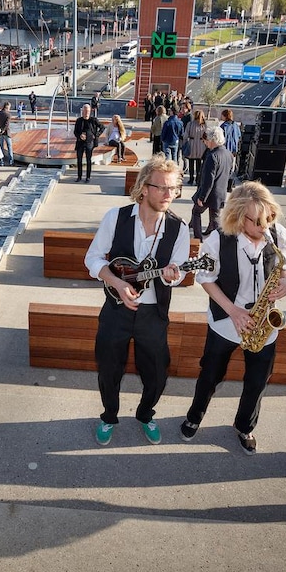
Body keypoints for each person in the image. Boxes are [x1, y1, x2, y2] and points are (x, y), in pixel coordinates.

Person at [181, 182, 286, 454]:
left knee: (257, 382)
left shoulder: (278, 235)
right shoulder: (218, 239)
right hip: (225, 321)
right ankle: (194, 416)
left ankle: (245, 426)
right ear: (237, 216)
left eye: (268, 217)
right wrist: (233, 311)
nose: (264, 226)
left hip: (264, 324)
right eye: (256, 221)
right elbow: (205, 279)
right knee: (210, 375)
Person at [84, 156, 190, 446]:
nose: (170, 195)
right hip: (115, 309)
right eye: (164, 188)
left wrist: (170, 276)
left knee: (157, 370)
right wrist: (117, 284)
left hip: (153, 313)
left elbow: (177, 273)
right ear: (144, 188)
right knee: (108, 367)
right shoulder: (115, 218)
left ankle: (145, 414)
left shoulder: (179, 228)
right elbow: (92, 259)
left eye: (175, 189)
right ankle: (109, 416)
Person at [190, 124, 232, 239]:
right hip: (221, 192)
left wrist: (202, 197)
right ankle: (219, 239)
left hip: (210, 193)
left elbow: (208, 179)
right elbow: (229, 174)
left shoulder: (212, 156)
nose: (206, 142)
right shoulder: (228, 154)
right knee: (216, 219)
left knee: (196, 212)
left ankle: (198, 238)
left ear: (212, 139)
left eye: (207, 139)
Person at [72, 104, 102, 183]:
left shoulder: (93, 120)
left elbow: (102, 127)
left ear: (90, 112)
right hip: (80, 142)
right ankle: (79, 176)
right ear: (82, 111)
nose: (86, 113)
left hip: (89, 142)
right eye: (84, 111)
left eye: (87, 111)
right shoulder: (79, 120)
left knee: (88, 160)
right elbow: (75, 132)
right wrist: (79, 136)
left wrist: (96, 135)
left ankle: (88, 177)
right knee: (79, 160)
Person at [183, 109, 207, 185]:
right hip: (201, 145)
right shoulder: (204, 125)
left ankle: (191, 179)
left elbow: (185, 135)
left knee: (191, 162)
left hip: (192, 144)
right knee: (199, 163)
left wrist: (184, 143)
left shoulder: (190, 124)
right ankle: (198, 179)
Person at [221, 109, 241, 181]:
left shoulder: (223, 126)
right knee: (231, 166)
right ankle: (230, 182)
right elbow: (238, 136)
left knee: (224, 167)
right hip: (233, 149)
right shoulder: (235, 125)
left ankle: (226, 181)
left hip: (226, 148)